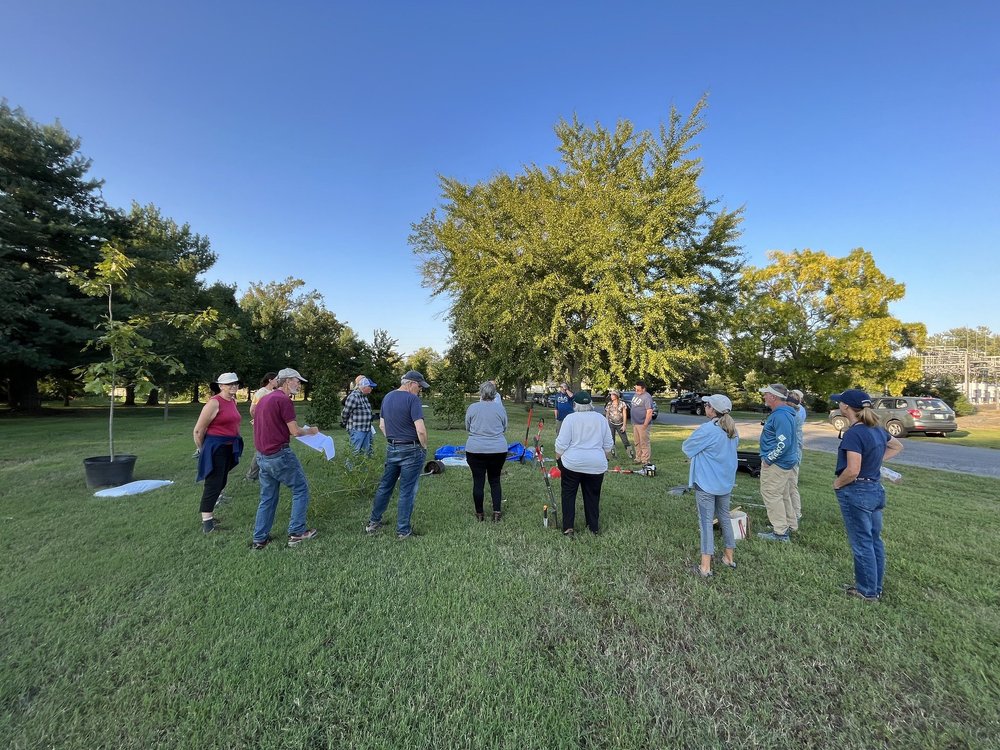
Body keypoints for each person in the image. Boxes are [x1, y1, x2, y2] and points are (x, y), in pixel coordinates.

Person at [831, 388, 903, 601]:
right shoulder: (876, 429)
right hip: (875, 489)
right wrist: (875, 461)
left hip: (857, 491)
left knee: (862, 542)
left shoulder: (854, 433)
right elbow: (897, 446)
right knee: (874, 540)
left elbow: (852, 470)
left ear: (846, 407)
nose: (838, 405)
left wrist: (837, 483)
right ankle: (875, 586)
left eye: (840, 403)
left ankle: (866, 591)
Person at [250, 367, 320, 549]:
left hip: (262, 456)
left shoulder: (264, 399)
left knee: (267, 497)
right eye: (298, 381)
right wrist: (311, 431)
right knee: (301, 489)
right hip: (279, 454)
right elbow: (295, 431)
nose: (299, 385)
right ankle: (297, 533)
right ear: (288, 381)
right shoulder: (283, 400)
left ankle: (260, 538)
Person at [366, 370, 430, 539]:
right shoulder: (413, 400)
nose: (420, 390)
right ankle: (403, 530)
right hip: (412, 450)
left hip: (392, 448)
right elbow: (421, 430)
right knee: (407, 490)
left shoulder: (387, 397)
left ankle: (374, 522)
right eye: (419, 387)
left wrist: (394, 441)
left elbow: (381, 425)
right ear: (411, 384)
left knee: (385, 486)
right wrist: (424, 447)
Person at [681, 394, 739, 577]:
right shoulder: (732, 429)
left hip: (707, 482)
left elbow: (687, 447)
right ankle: (729, 557)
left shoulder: (708, 429)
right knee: (724, 517)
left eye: (706, 405)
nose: (704, 407)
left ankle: (705, 567)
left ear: (712, 409)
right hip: (725, 482)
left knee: (706, 522)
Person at [555, 391, 613, 535]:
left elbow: (561, 444)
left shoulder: (570, 419)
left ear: (575, 405)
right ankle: (593, 527)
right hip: (596, 464)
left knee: (568, 495)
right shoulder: (600, 419)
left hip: (572, 464)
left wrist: (558, 459)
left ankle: (568, 527)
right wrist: (604, 458)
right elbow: (608, 445)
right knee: (593, 496)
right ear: (590, 404)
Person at [193, 372, 244, 533]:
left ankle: (209, 517)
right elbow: (198, 431)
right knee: (213, 483)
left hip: (229, 446)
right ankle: (207, 524)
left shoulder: (232, 401)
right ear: (221, 386)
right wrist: (203, 450)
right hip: (215, 447)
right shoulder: (214, 403)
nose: (233, 386)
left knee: (221, 481)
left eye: (235, 383)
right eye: (229, 384)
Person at [755, 384, 801, 542]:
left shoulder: (780, 416)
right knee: (783, 494)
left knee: (771, 494)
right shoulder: (785, 413)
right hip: (786, 462)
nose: (764, 396)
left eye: (766, 394)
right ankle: (790, 524)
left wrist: (768, 459)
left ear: (773, 397)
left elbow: (783, 443)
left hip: (777, 463)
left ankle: (780, 532)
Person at [465, 381, 509, 521]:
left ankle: (479, 514)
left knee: (478, 481)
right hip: (498, 450)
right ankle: (496, 512)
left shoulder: (472, 408)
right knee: (495, 480)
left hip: (475, 449)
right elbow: (504, 427)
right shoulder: (500, 409)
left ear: (481, 393)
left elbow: (467, 427)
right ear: (494, 393)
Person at [245, 372, 278, 481]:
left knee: (272, 446)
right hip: (263, 425)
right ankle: (251, 475)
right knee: (262, 448)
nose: (277, 381)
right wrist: (259, 420)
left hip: (272, 424)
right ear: (270, 380)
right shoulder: (261, 392)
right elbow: (252, 410)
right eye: (276, 379)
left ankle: (269, 470)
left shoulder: (274, 392)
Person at [786, 388, 808, 523]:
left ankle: (796, 513)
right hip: (795, 452)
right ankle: (793, 512)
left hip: (792, 453)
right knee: (790, 485)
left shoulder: (795, 413)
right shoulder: (799, 410)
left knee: (791, 485)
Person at [342, 376, 377, 456]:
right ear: (364, 387)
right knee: (354, 452)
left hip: (366, 429)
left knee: (366, 454)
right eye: (370, 387)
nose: (371, 389)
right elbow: (345, 413)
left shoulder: (364, 397)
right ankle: (350, 468)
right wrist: (346, 424)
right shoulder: (354, 397)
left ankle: (364, 469)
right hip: (357, 429)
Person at [630, 380, 655, 465]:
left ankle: (645, 460)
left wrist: (645, 424)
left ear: (643, 389)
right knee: (637, 442)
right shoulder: (636, 394)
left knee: (644, 442)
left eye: (638, 390)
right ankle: (638, 457)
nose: (636, 391)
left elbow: (649, 411)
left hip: (642, 423)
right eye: (636, 389)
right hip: (635, 423)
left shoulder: (647, 397)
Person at [604, 389, 633, 459]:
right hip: (611, 424)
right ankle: (613, 455)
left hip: (620, 424)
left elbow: (624, 414)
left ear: (617, 396)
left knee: (625, 440)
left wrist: (624, 425)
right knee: (612, 440)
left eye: (613, 395)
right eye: (611, 395)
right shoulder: (609, 404)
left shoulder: (622, 404)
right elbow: (607, 414)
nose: (611, 396)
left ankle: (630, 454)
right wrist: (606, 423)